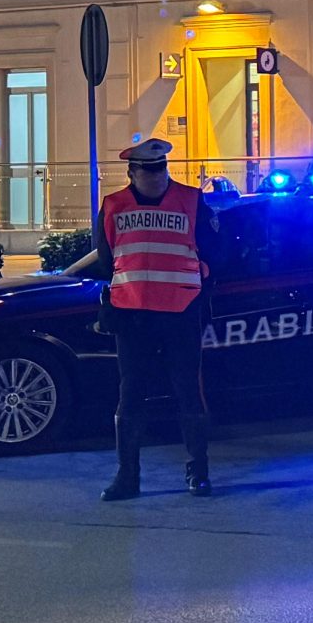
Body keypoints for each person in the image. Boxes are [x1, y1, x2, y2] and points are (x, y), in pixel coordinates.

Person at [92, 138, 220, 501]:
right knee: (130, 395)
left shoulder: (193, 199)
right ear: (131, 173)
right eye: (148, 171)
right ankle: (127, 477)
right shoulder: (114, 205)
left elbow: (214, 252)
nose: (155, 176)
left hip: (179, 312)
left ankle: (199, 472)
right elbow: (107, 259)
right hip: (133, 315)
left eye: (160, 168)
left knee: (188, 393)